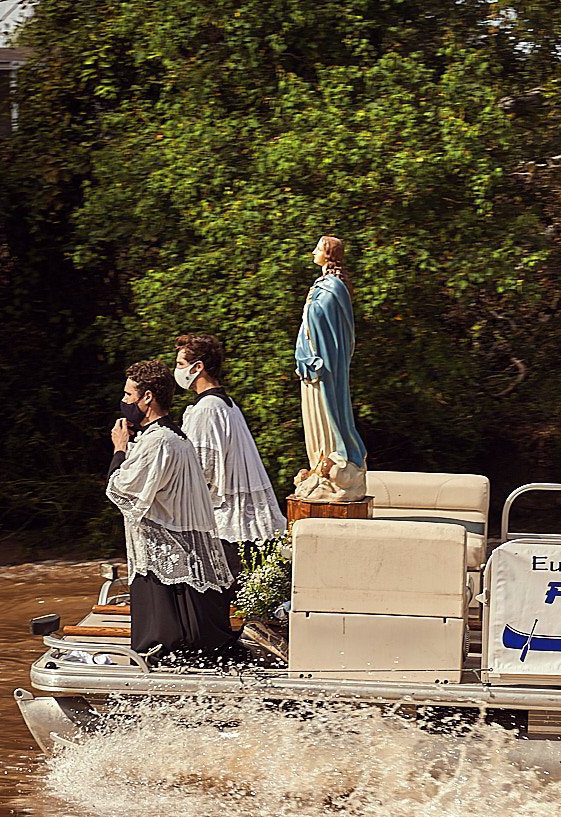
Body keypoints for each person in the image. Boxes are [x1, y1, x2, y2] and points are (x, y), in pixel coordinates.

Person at [108, 359, 236, 658]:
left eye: (129, 395)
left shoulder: (160, 441)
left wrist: (119, 449)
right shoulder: (173, 435)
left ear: (148, 397)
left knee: (167, 646)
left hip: (165, 555)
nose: (124, 402)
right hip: (179, 548)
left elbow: (120, 489)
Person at [174, 333, 287, 581]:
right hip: (245, 527)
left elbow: (202, 467)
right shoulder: (227, 404)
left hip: (228, 528)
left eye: (181, 365)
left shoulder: (208, 409)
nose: (178, 371)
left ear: (198, 367)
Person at [294, 235, 368, 502]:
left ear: (328, 254)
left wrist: (313, 308)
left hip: (323, 363)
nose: (313, 252)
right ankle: (319, 464)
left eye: (318, 248)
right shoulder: (324, 285)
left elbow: (330, 327)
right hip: (312, 361)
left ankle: (333, 459)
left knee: (328, 410)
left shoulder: (332, 287)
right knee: (315, 412)